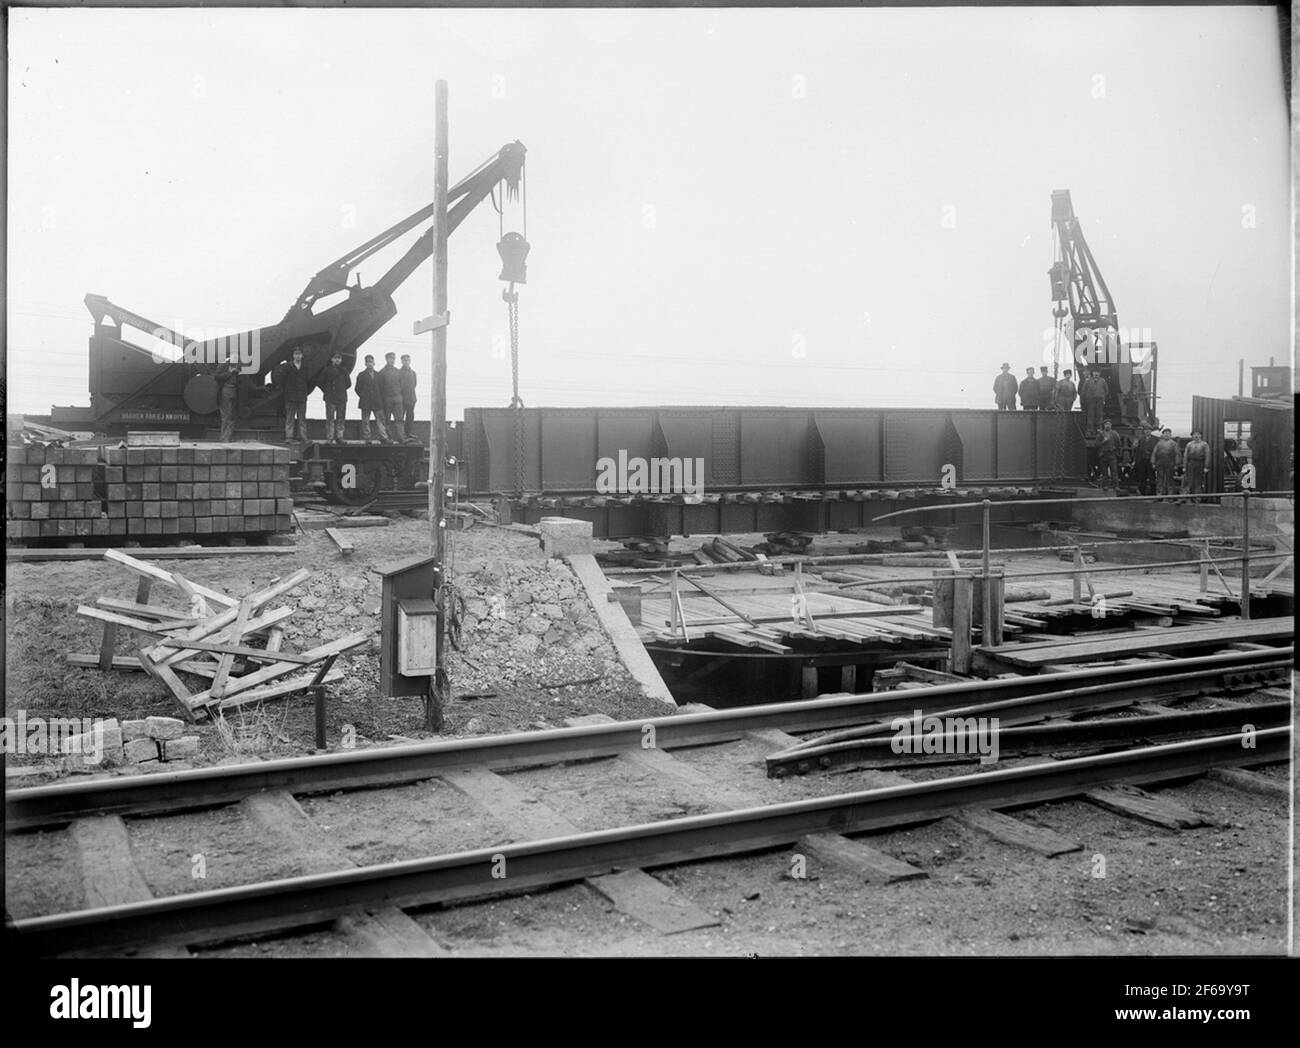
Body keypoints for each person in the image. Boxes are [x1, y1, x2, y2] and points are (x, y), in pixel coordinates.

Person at [274, 346, 311, 442]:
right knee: (290, 417)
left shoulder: (305, 367)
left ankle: (303, 437)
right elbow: (281, 379)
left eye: (299, 354)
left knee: (302, 418)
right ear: (293, 355)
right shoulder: (287, 366)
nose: (298, 356)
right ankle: (289, 437)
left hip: (301, 396)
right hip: (290, 396)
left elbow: (308, 381)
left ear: (302, 355)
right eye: (296, 354)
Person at [318, 351, 352, 445]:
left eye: (339, 358)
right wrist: (327, 391)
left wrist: (340, 389)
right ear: (331, 359)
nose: (337, 360)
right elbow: (320, 382)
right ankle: (330, 438)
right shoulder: (326, 370)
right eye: (335, 358)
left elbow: (348, 384)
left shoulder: (344, 371)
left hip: (341, 398)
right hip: (330, 398)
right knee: (330, 418)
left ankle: (339, 437)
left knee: (341, 418)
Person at [354, 354, 388, 444]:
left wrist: (379, 397)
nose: (369, 363)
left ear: (374, 363)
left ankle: (383, 436)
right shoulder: (361, 375)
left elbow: (382, 388)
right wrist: (364, 396)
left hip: (377, 401)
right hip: (366, 402)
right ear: (365, 363)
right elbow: (357, 388)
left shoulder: (379, 375)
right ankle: (367, 438)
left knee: (380, 420)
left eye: (371, 362)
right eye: (368, 362)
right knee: (365, 421)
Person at [378, 351, 405, 444]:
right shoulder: (382, 373)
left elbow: (402, 385)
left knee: (399, 419)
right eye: (390, 358)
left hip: (398, 398)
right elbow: (380, 387)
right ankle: (389, 437)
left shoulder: (398, 372)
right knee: (387, 419)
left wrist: (399, 395)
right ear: (386, 359)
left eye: (393, 358)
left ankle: (401, 438)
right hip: (387, 398)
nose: (392, 360)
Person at [214, 359, 238, 442]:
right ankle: (224, 438)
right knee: (226, 415)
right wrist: (230, 373)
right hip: (226, 390)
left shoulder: (237, 365)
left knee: (232, 415)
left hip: (234, 391)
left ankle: (228, 437)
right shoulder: (223, 365)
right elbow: (216, 376)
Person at [1152, 427, 1180, 497]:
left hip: (1170, 464)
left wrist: (1176, 464)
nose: (1167, 435)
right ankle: (1159, 495)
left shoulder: (1174, 444)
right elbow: (1154, 453)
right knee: (1159, 479)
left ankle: (1170, 495)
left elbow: (1177, 454)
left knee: (1170, 479)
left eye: (1168, 433)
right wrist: (1153, 463)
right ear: (1163, 435)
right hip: (1160, 464)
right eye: (1165, 433)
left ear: (1170, 435)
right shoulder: (1159, 444)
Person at [1183, 429, 1210, 498]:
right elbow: (1185, 456)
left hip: (1200, 463)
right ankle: (1185, 497)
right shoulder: (1189, 444)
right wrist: (1184, 466)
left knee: (1198, 481)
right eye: (1194, 434)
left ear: (1200, 435)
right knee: (1188, 480)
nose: (1196, 436)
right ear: (1192, 436)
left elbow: (1207, 455)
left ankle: (1197, 498)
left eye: (1198, 434)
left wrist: (1206, 466)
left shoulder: (1204, 444)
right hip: (1190, 464)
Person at [1132, 424, 1157, 496]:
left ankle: (1153, 493)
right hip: (1142, 460)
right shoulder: (1140, 439)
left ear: (1151, 431)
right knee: (1142, 477)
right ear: (1144, 431)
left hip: (1151, 460)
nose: (1147, 431)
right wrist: (1135, 461)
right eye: (1146, 430)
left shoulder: (1155, 439)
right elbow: (1136, 451)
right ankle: (1142, 492)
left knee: (1152, 477)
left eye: (1149, 430)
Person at [399, 354, 419, 441]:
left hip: (411, 398)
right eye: (405, 360)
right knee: (400, 416)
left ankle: (408, 433)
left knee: (410, 416)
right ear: (402, 361)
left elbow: (414, 384)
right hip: (402, 398)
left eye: (408, 360)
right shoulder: (398, 372)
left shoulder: (413, 373)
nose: (406, 362)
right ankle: (401, 434)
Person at [1096, 419, 1120, 491]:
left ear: (1111, 425)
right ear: (1104, 425)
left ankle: (1116, 486)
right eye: (1106, 424)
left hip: (1112, 454)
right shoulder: (1100, 435)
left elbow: (1118, 443)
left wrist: (1115, 450)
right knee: (1104, 472)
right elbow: (1096, 445)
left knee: (1114, 471)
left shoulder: (1115, 434)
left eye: (1109, 424)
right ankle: (1105, 486)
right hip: (1103, 455)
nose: (1107, 426)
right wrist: (1103, 441)